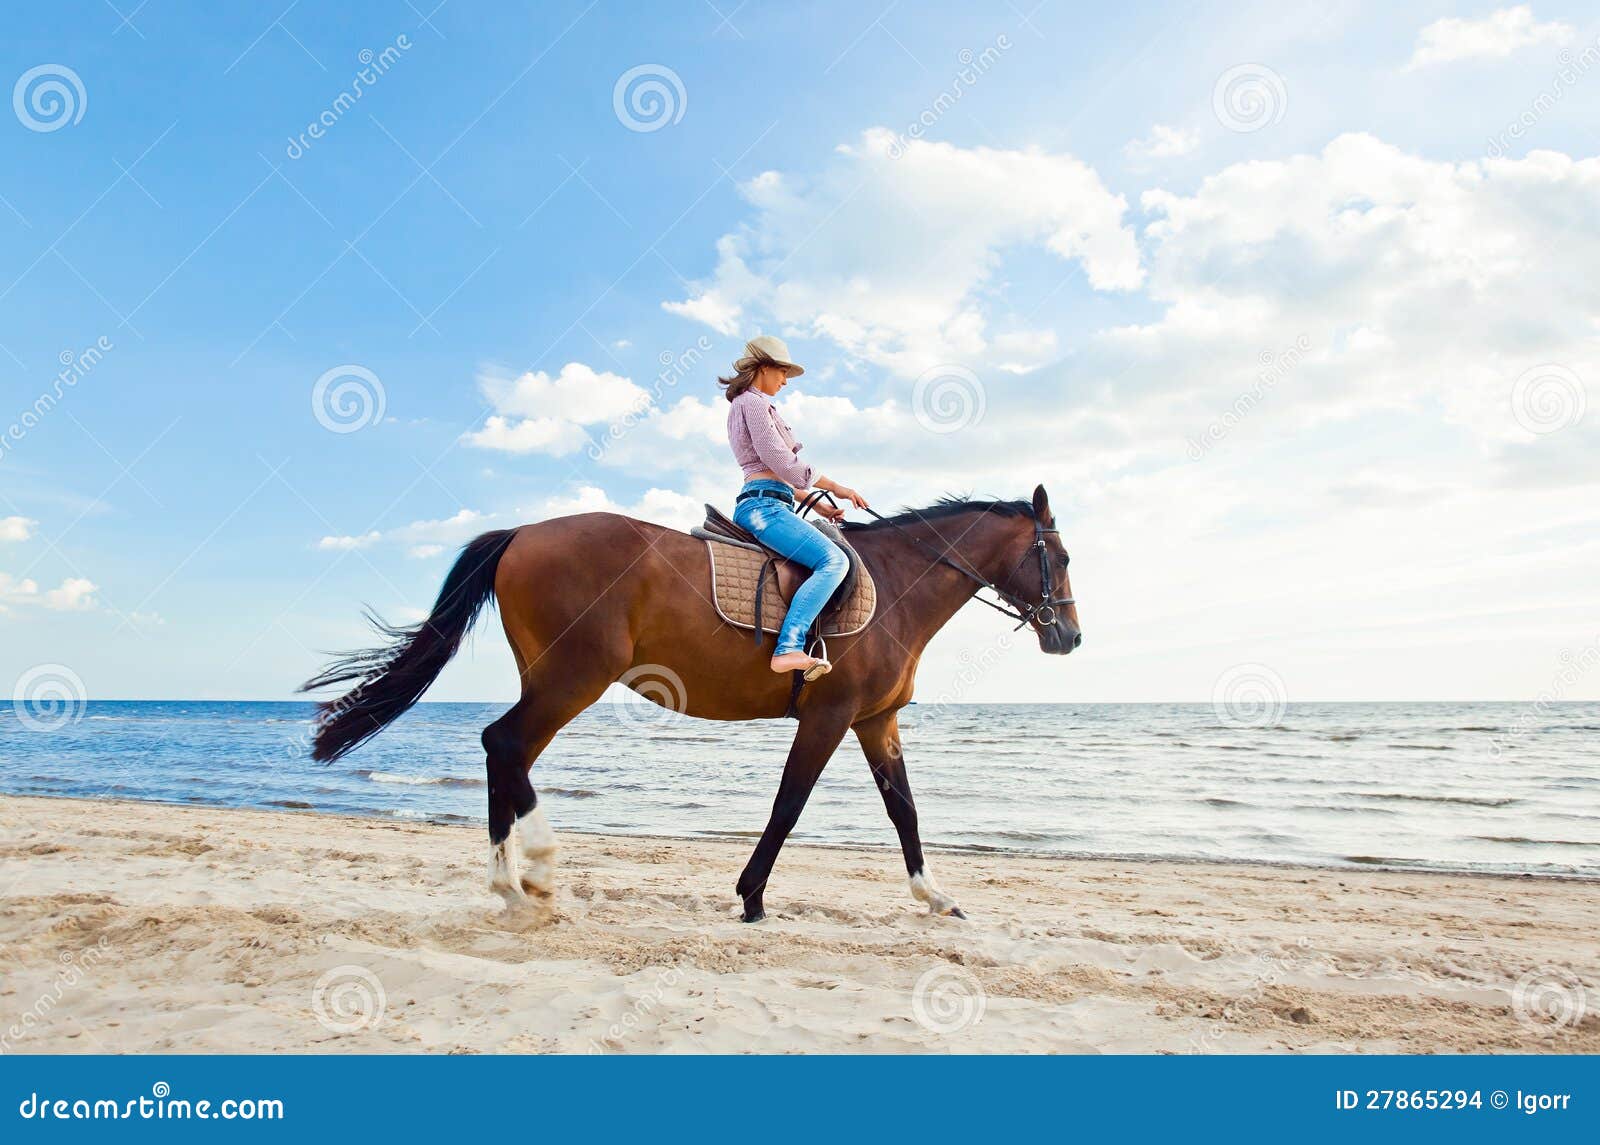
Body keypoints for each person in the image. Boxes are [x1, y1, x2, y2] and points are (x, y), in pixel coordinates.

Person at [721, 335, 870, 679]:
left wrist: (818, 506)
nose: (785, 381)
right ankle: (788, 647)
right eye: (783, 372)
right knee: (834, 561)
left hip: (770, 500)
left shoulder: (750, 404)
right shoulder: (753, 404)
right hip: (765, 508)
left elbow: (773, 472)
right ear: (764, 367)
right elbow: (781, 460)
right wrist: (837, 488)